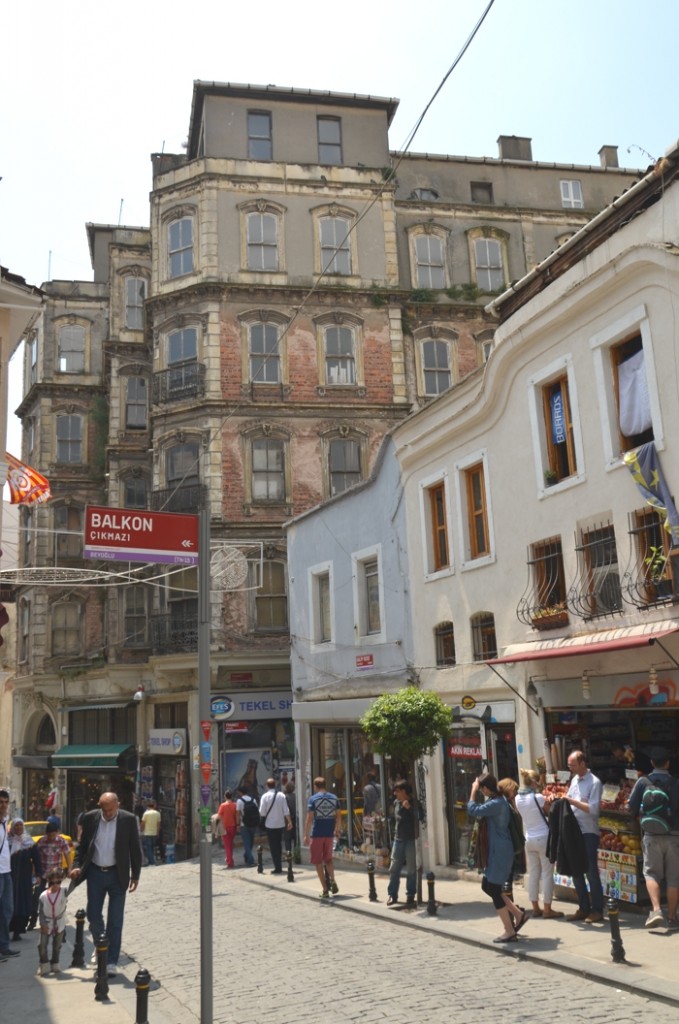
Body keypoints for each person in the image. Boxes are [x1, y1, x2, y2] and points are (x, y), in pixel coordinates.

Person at [68, 791, 142, 978]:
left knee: (115, 920)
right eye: (104, 810)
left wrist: (136, 875)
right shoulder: (91, 818)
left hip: (118, 874)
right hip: (95, 872)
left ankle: (110, 961)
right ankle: (102, 944)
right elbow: (82, 847)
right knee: (93, 914)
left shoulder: (128, 819)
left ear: (117, 805)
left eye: (110, 810)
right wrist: (77, 866)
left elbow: (135, 848)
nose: (108, 814)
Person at [467, 773, 528, 942]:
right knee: (488, 886)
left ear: (486, 788)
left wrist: (472, 790)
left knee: (493, 889)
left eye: (481, 789)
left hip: (500, 852)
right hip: (496, 851)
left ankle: (509, 930)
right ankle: (518, 914)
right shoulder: (497, 800)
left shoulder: (497, 803)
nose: (480, 792)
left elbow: (473, 809)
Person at [627, 747, 679, 928]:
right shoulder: (676, 782)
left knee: (651, 873)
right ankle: (672, 917)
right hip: (674, 835)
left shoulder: (643, 782)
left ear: (651, 763)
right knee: (674, 878)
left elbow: (630, 806)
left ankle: (656, 910)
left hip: (651, 834)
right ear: (668, 763)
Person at [515, 769, 563, 919]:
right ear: (534, 782)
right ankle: (547, 909)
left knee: (534, 873)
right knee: (547, 874)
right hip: (543, 837)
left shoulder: (517, 799)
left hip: (529, 838)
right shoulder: (538, 797)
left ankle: (535, 907)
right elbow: (548, 811)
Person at [564, 750, 604, 923]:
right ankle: (583, 907)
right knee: (576, 870)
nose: (570, 768)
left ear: (582, 763)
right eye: (569, 765)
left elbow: (594, 810)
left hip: (588, 831)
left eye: (572, 765)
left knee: (590, 872)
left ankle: (597, 909)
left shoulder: (594, 782)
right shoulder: (574, 780)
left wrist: (572, 802)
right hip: (574, 830)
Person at [386, 780, 422, 908]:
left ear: (404, 791)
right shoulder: (396, 803)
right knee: (394, 868)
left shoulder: (414, 803)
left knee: (411, 869)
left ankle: (410, 895)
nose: (395, 793)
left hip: (411, 839)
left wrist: (410, 808)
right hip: (398, 839)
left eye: (398, 791)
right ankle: (392, 894)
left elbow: (421, 816)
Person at [304, 777, 341, 899]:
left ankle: (325, 889)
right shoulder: (334, 798)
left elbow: (309, 819)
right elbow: (339, 816)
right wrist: (337, 830)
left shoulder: (313, 799)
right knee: (328, 859)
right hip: (329, 834)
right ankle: (333, 880)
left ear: (315, 786)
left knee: (318, 861)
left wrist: (306, 834)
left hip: (317, 833)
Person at [8, 819, 42, 940]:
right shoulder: (7, 841)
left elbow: (37, 859)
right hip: (9, 877)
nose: (18, 828)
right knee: (8, 903)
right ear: (12, 827)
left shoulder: (29, 842)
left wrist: (38, 875)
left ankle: (18, 930)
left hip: (24, 878)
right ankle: (7, 930)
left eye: (20, 825)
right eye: (16, 826)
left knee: (22, 904)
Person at [0, 788, 21, 962]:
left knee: (7, 911)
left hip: (6, 872)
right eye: (1, 802)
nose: (3, 805)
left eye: (6, 802)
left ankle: (4, 946)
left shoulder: (5, 820)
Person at [258, 778, 292, 874]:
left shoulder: (265, 797)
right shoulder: (281, 795)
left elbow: (262, 812)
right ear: (275, 785)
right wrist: (289, 822)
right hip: (280, 824)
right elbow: (286, 810)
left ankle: (277, 866)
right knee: (279, 844)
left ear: (267, 786)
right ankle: (279, 864)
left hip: (270, 825)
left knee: (273, 846)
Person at [37, 869, 68, 976]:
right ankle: (44, 964)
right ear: (48, 882)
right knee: (42, 945)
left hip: (59, 923)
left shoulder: (64, 892)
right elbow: (40, 912)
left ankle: (55, 963)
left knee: (57, 946)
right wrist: (43, 924)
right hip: (47, 922)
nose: (55, 885)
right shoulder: (43, 896)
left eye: (58, 882)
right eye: (52, 883)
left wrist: (75, 874)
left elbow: (74, 885)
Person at [235, 787, 258, 866]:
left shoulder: (239, 801)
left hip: (243, 825)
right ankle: (247, 856)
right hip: (253, 825)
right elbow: (257, 811)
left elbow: (238, 814)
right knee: (251, 842)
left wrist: (237, 824)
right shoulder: (253, 800)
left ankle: (250, 860)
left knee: (246, 843)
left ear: (241, 792)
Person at [217, 790, 238, 869]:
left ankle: (229, 862)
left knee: (227, 846)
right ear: (231, 796)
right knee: (230, 844)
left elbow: (219, 816)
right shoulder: (235, 805)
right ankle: (230, 859)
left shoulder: (222, 805)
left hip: (225, 827)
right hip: (233, 827)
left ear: (225, 796)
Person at [140, 800, 161, 866]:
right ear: (154, 806)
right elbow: (158, 824)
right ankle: (151, 861)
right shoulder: (157, 813)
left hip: (147, 833)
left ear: (147, 806)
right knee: (151, 847)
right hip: (154, 833)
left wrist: (141, 829)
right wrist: (157, 832)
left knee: (148, 848)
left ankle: (152, 862)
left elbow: (143, 823)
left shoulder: (146, 813)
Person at [284, 782, 297, 856]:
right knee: (295, 837)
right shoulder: (296, 797)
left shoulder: (285, 797)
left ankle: (288, 853)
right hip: (295, 818)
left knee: (287, 838)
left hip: (287, 819)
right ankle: (296, 852)